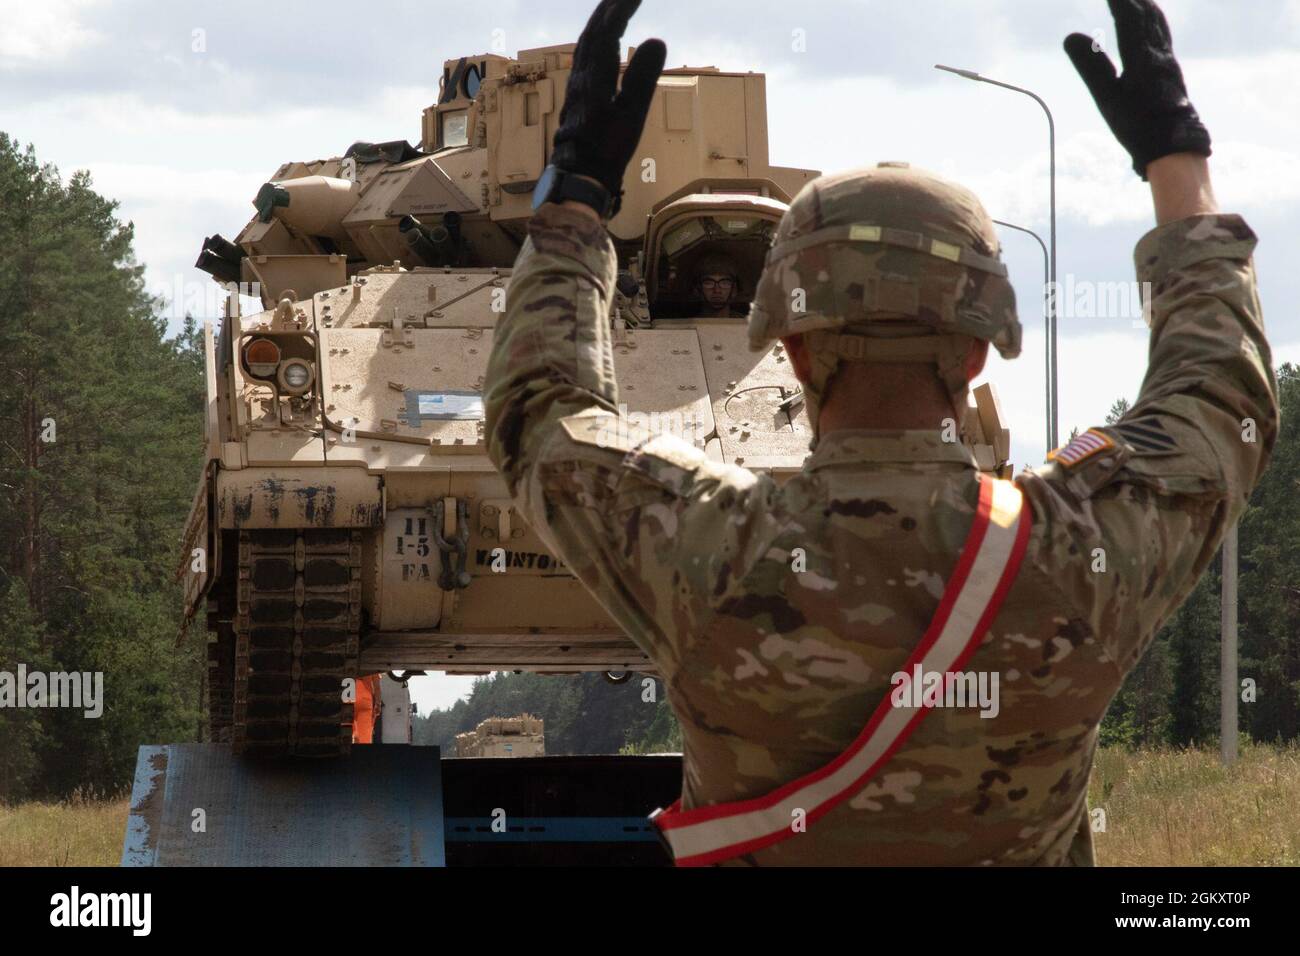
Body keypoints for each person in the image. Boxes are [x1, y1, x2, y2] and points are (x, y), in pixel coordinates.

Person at [484, 0, 1277, 865]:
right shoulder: (1077, 554)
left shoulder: (704, 544)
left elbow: (539, 408)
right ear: (976, 352)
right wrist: (1178, 159)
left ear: (792, 351)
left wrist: (576, 204)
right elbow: (1215, 399)